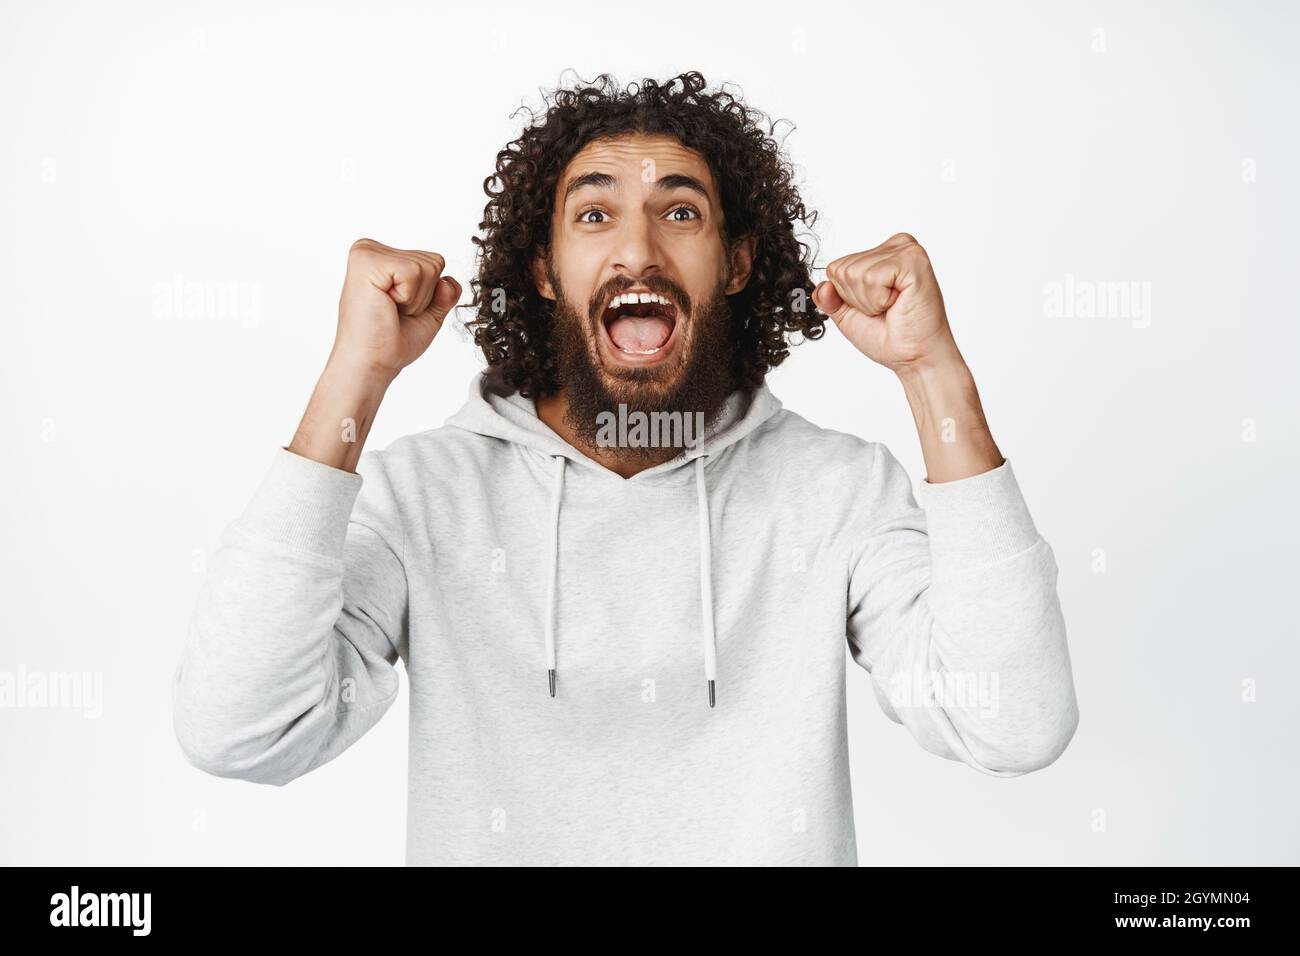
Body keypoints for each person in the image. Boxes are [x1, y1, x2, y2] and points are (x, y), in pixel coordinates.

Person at [171, 71, 1079, 866]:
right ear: (543, 268)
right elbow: (241, 730)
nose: (637, 250)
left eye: (680, 213)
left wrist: (931, 371)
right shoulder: (426, 497)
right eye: (594, 214)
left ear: (735, 262)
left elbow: (1012, 723)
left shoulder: (837, 490)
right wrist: (354, 376)